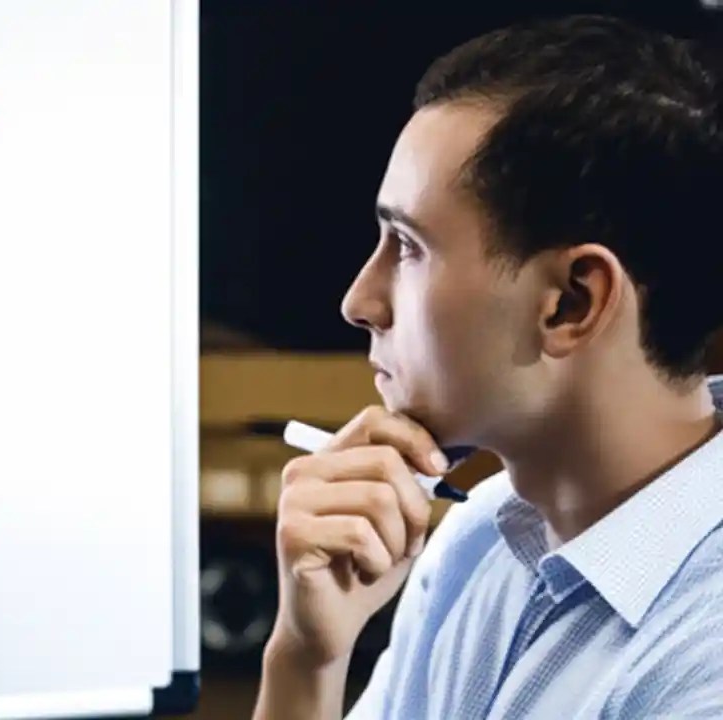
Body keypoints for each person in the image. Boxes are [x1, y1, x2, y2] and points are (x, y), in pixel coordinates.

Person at [252, 14, 723, 720]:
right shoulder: (480, 539)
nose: (359, 300)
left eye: (407, 247)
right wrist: (305, 658)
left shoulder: (704, 655)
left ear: (570, 302)